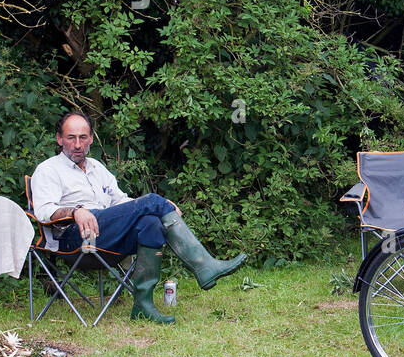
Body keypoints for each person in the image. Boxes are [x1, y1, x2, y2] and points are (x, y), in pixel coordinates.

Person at [29, 111, 245, 324]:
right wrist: (75, 211)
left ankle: (143, 305)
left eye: (82, 137)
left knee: (150, 223)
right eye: (70, 137)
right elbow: (44, 212)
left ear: (91, 138)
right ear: (59, 139)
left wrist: (158, 207)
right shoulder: (48, 170)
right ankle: (204, 265)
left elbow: (121, 202)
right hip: (74, 239)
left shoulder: (97, 168)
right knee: (151, 201)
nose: (77, 144)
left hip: (106, 235)